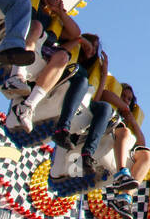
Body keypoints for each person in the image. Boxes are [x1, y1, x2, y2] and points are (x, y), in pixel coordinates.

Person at [43, 33, 111, 174]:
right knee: (82, 80)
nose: (92, 50)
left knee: (105, 107)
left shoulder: (90, 71)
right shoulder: (72, 54)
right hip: (62, 80)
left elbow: (95, 100)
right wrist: (78, 40)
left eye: (96, 48)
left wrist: (103, 74)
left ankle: (87, 154)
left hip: (82, 98)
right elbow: (57, 52)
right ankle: (62, 129)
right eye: (92, 45)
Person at [104, 82, 150, 194]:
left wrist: (133, 122)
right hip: (106, 136)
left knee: (148, 155)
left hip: (121, 151)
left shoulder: (128, 121)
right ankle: (121, 172)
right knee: (124, 132)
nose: (126, 100)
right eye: (123, 96)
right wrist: (123, 106)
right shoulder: (109, 106)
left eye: (129, 99)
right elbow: (105, 94)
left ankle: (125, 197)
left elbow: (141, 144)